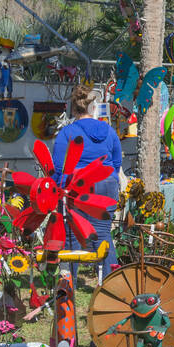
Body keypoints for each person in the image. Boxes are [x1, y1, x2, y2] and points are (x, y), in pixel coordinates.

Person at [52, 85, 122, 278]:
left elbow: (58, 168)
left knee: (73, 237)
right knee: (103, 235)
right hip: (107, 184)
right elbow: (116, 162)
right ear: (93, 108)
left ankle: (68, 287)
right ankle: (111, 287)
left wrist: (56, 191)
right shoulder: (109, 131)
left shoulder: (67, 132)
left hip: (77, 185)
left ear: (73, 109)